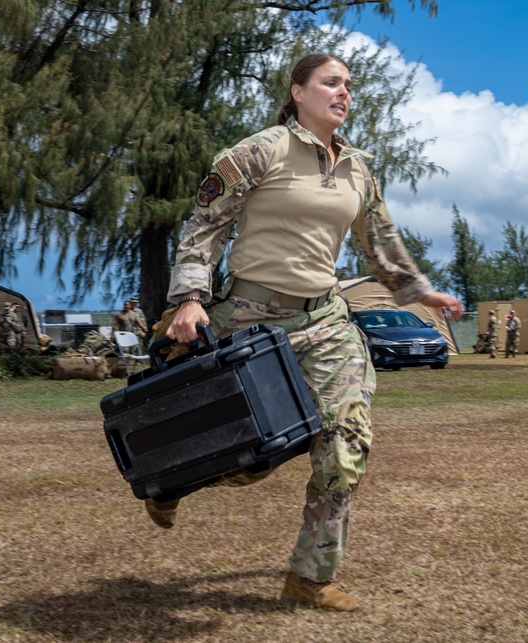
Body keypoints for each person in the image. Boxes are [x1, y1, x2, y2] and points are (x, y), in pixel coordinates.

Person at [157, 52, 464, 612]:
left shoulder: (358, 170)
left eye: (348, 84)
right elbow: (205, 227)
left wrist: (422, 292)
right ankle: (168, 482)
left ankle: (311, 575)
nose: (343, 92)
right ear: (298, 92)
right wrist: (190, 299)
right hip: (249, 317)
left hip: (325, 320)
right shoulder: (257, 152)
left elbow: (381, 243)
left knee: (345, 444)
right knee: (241, 453)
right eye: (331, 82)